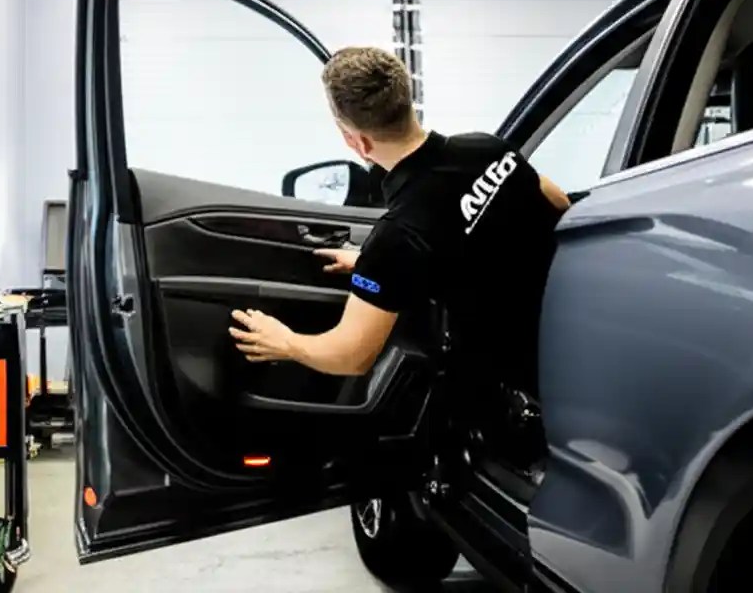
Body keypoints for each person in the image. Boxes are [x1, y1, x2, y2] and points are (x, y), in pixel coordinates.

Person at [228, 46, 570, 378]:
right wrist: (382, 267)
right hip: (572, 313)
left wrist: (285, 342)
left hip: (529, 374)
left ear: (357, 142)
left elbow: (351, 357)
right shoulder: (486, 147)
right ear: (408, 103)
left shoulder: (398, 236)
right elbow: (557, 203)